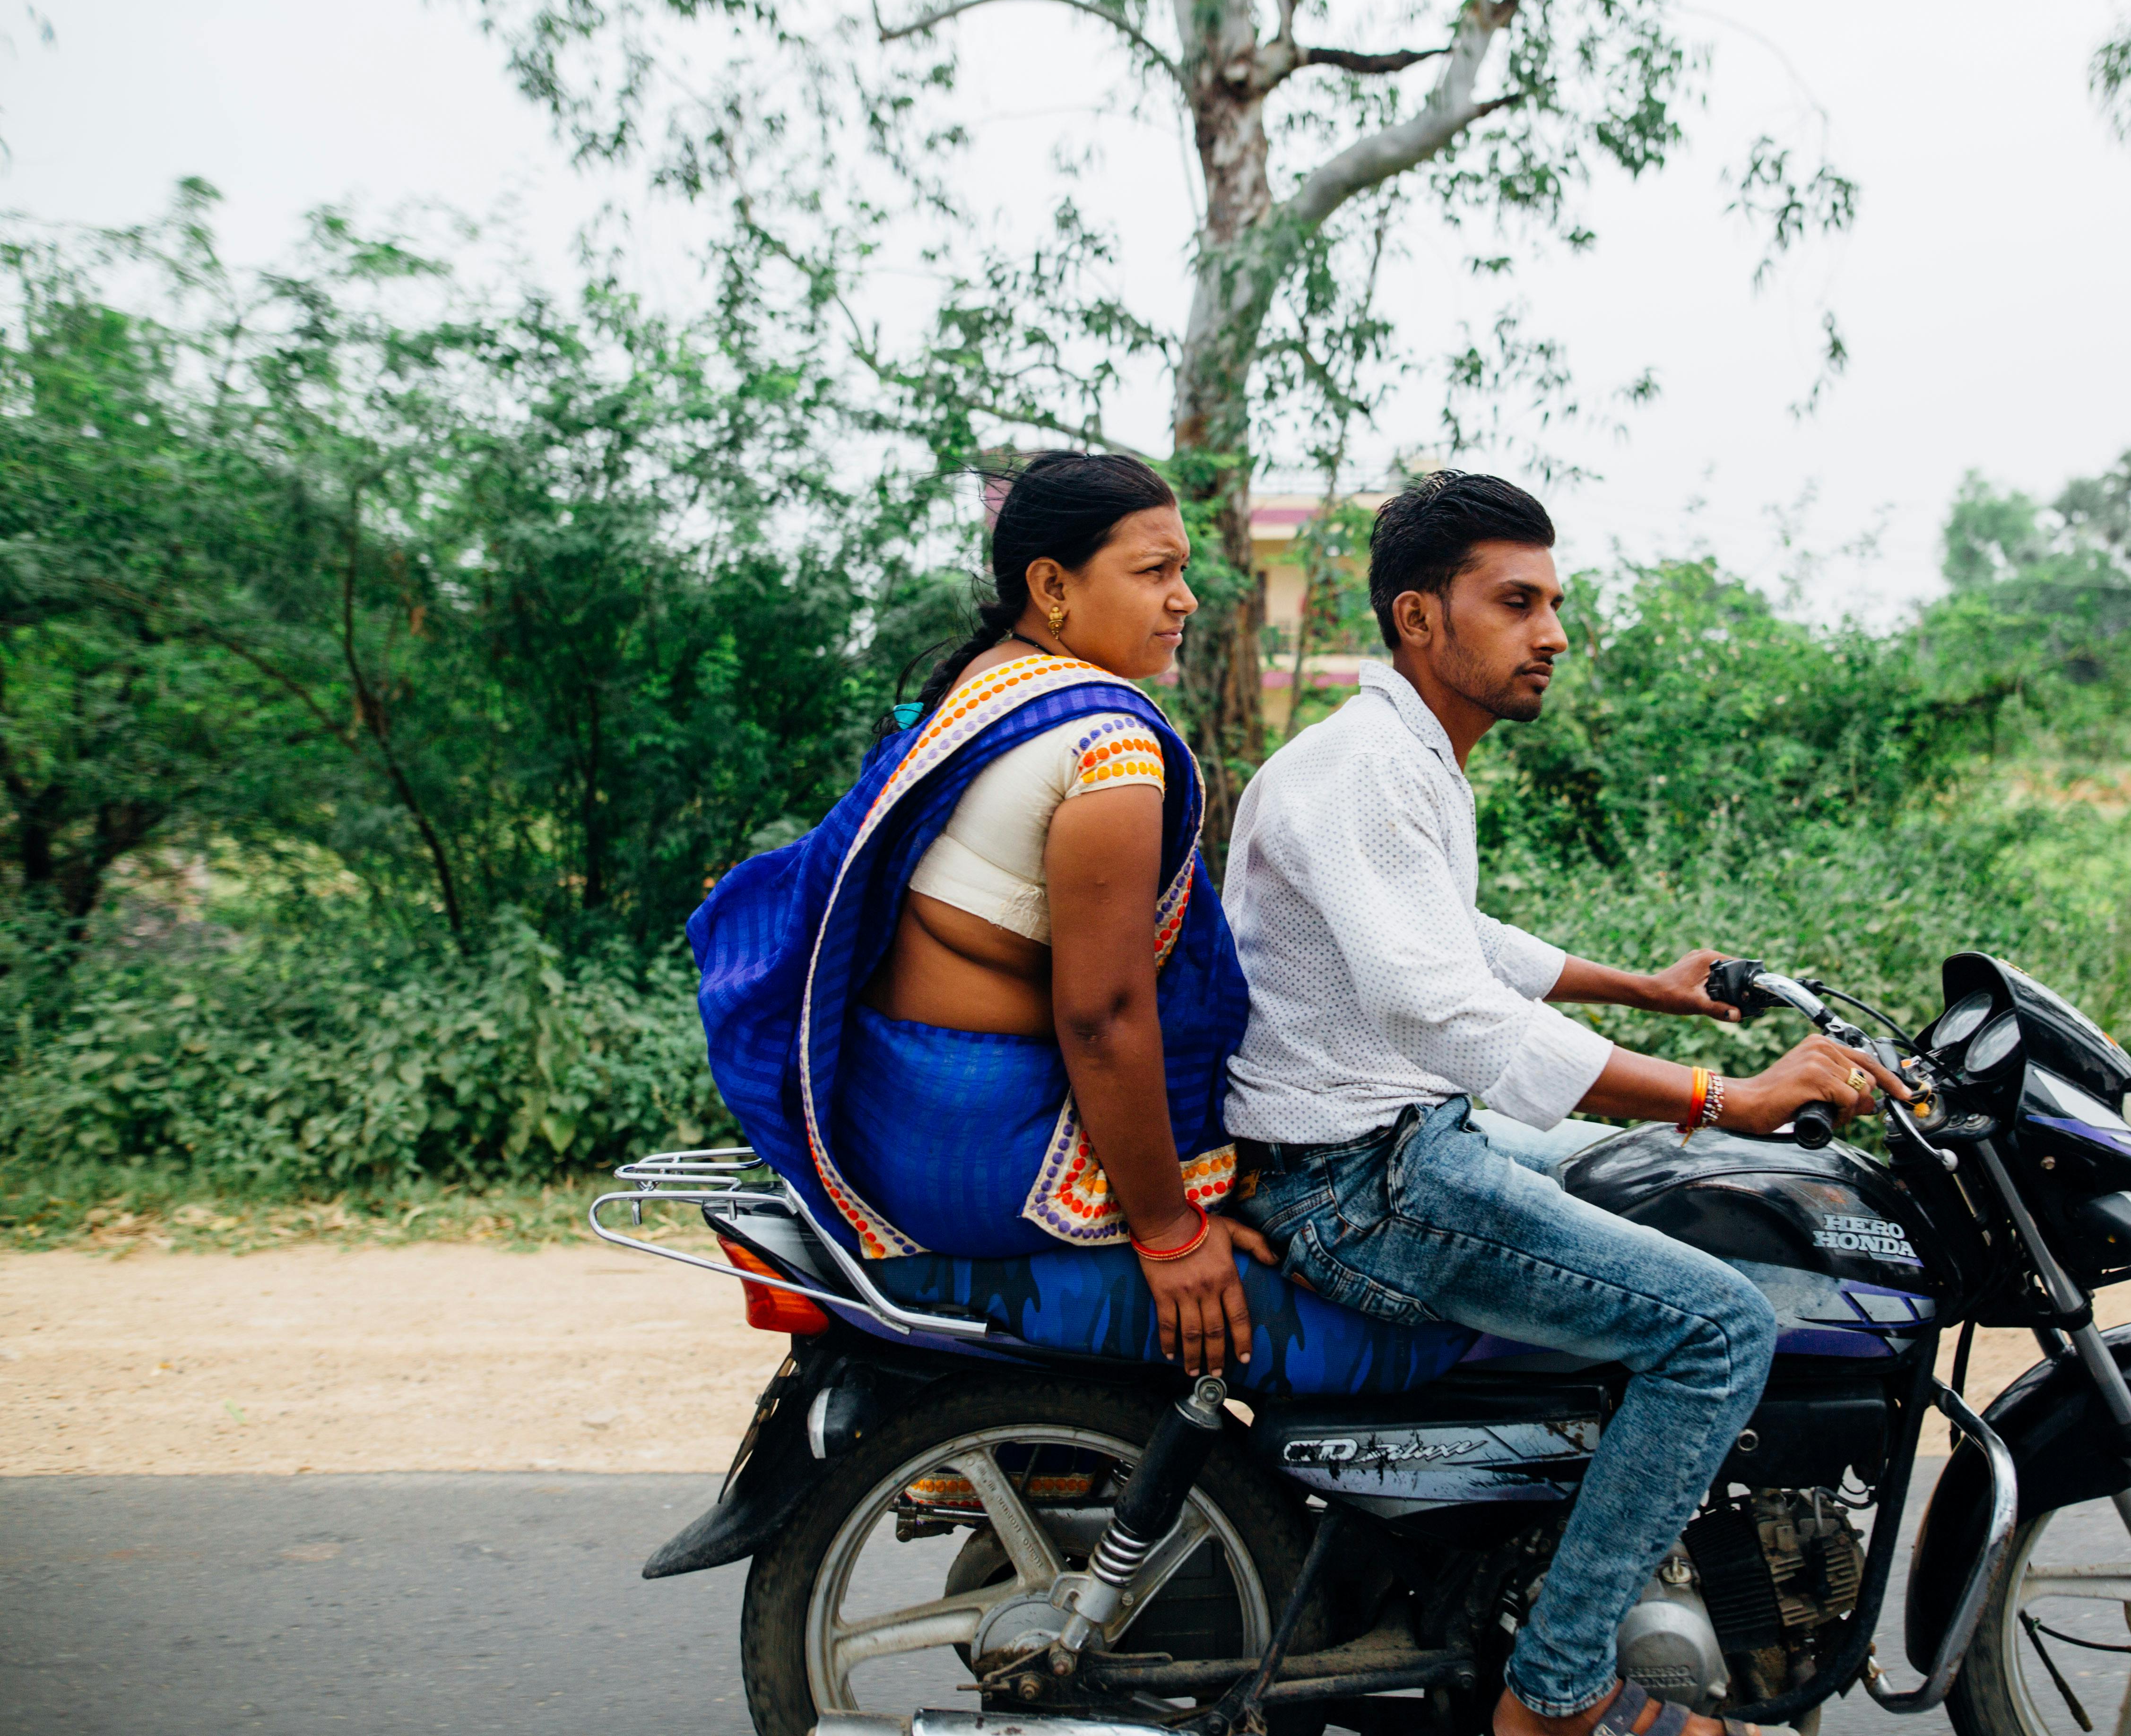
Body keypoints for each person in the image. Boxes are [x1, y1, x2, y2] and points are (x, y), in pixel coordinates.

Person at [1221, 471, 1907, 1736]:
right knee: (1719, 1330)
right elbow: (1445, 1010)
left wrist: (1646, 991)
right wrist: (1726, 1097)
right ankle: (1558, 1689)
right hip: (1365, 1182)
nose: (1554, 635)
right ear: (1420, 618)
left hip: (1392, 1145)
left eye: (1555, 603)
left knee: (1659, 1178)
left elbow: (1459, 939)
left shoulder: (1398, 756)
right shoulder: (1368, 771)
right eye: (1518, 603)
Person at [691, 450, 1273, 1376]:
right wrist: (1170, 1232)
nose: (1186, 598)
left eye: (1183, 570)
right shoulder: (1109, 746)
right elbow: (1104, 1014)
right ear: (1052, 586)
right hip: (994, 1156)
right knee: (1291, 1226)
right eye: (1155, 571)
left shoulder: (980, 689)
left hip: (891, 1115)